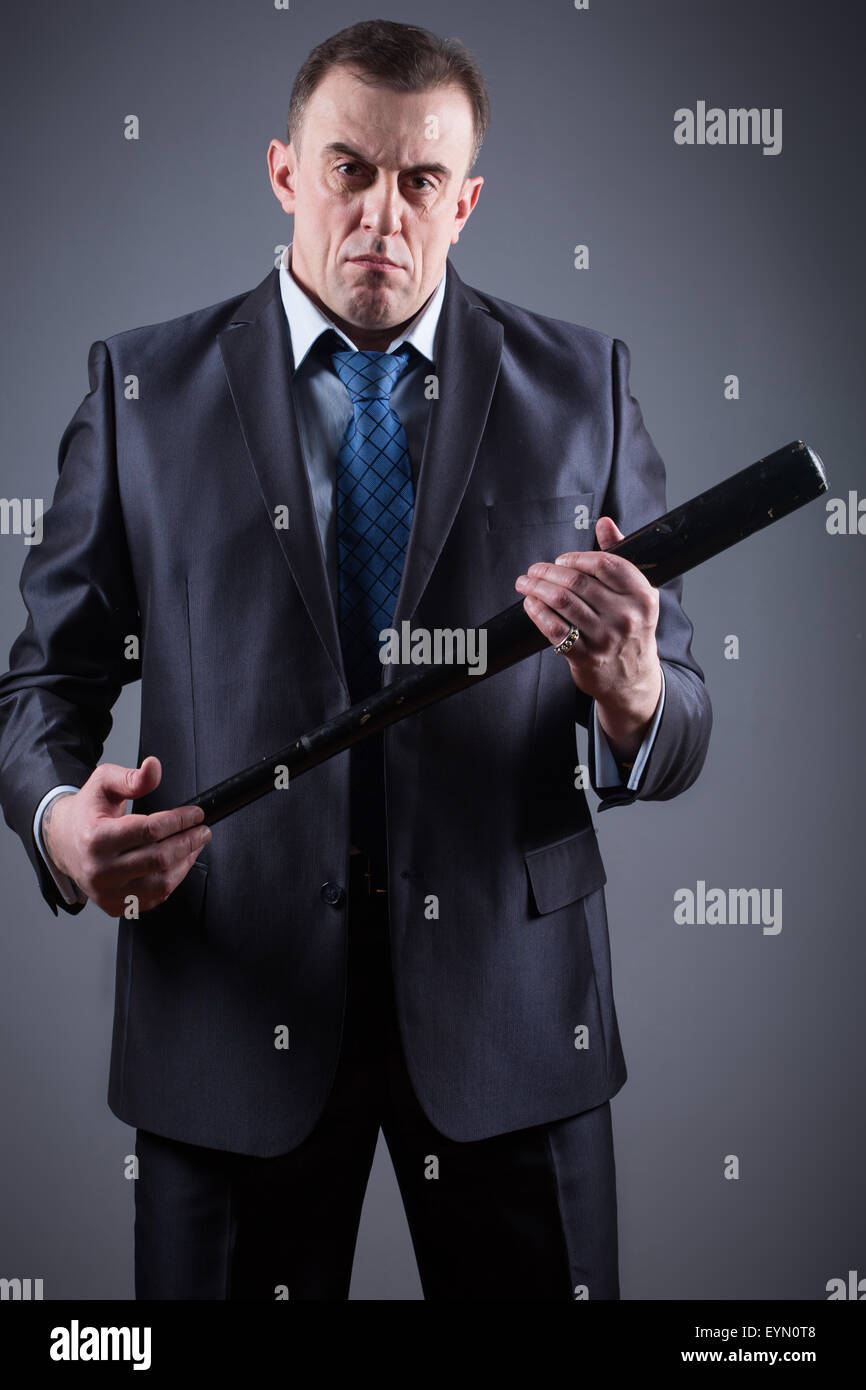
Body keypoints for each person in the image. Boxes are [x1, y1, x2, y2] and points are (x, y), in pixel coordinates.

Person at [0, 19, 712, 1300]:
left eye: (420, 180)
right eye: (348, 169)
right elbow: (43, 687)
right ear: (284, 172)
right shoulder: (139, 390)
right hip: (227, 1004)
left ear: (466, 200)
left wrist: (633, 691)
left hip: (513, 1014)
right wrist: (59, 824)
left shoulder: (582, 384)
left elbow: (686, 709)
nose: (382, 212)